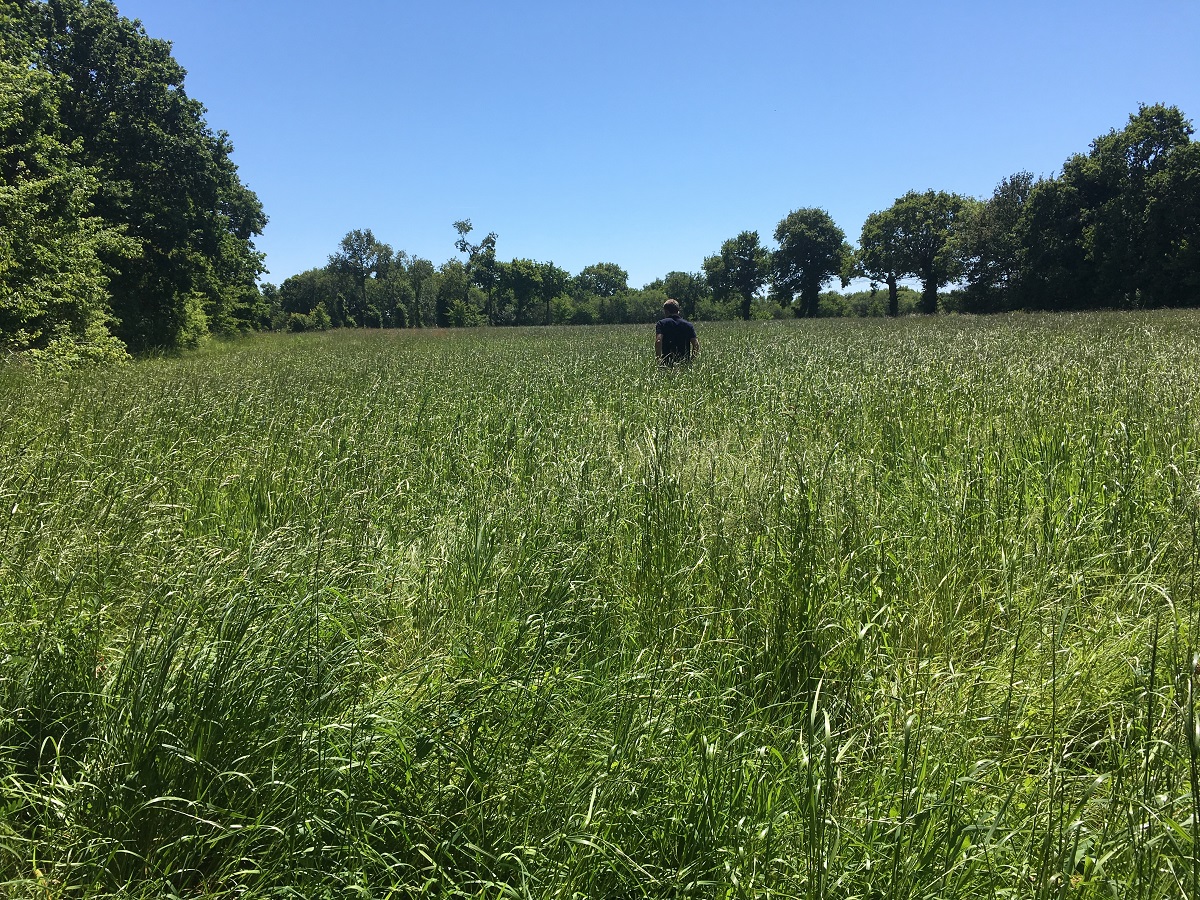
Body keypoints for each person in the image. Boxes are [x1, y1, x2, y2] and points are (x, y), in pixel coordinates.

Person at [655, 299, 699, 366]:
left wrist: (658, 359)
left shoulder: (661, 323)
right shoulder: (688, 325)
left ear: (666, 311)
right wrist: (691, 360)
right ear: (678, 310)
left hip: (666, 363)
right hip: (684, 363)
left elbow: (658, 341)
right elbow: (696, 344)